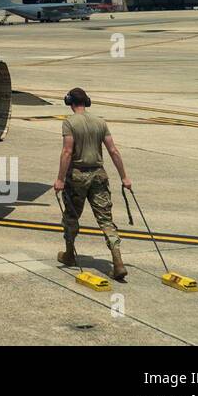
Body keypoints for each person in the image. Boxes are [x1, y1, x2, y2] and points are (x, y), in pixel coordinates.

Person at [54, 87, 130, 280]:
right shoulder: (100, 122)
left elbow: (67, 152)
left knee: (71, 216)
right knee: (105, 219)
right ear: (86, 102)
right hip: (99, 175)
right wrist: (124, 177)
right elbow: (113, 151)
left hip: (77, 177)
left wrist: (60, 179)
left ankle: (70, 254)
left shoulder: (69, 123)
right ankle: (118, 261)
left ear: (69, 102)